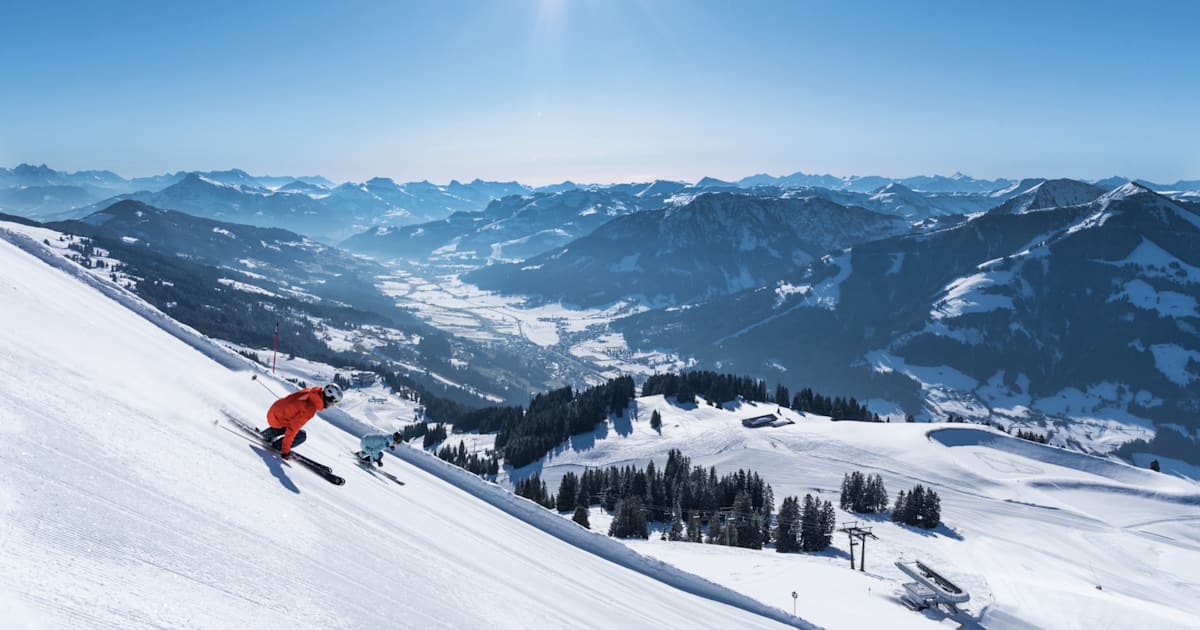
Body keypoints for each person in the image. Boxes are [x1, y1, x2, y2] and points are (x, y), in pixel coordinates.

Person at [262, 383, 343, 459]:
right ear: (328, 398)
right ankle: (277, 446)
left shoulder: (310, 392)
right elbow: (292, 429)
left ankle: (268, 434)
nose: (333, 405)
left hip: (273, 413)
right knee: (301, 435)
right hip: (277, 421)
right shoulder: (310, 408)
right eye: (334, 402)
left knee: (289, 422)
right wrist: (285, 451)